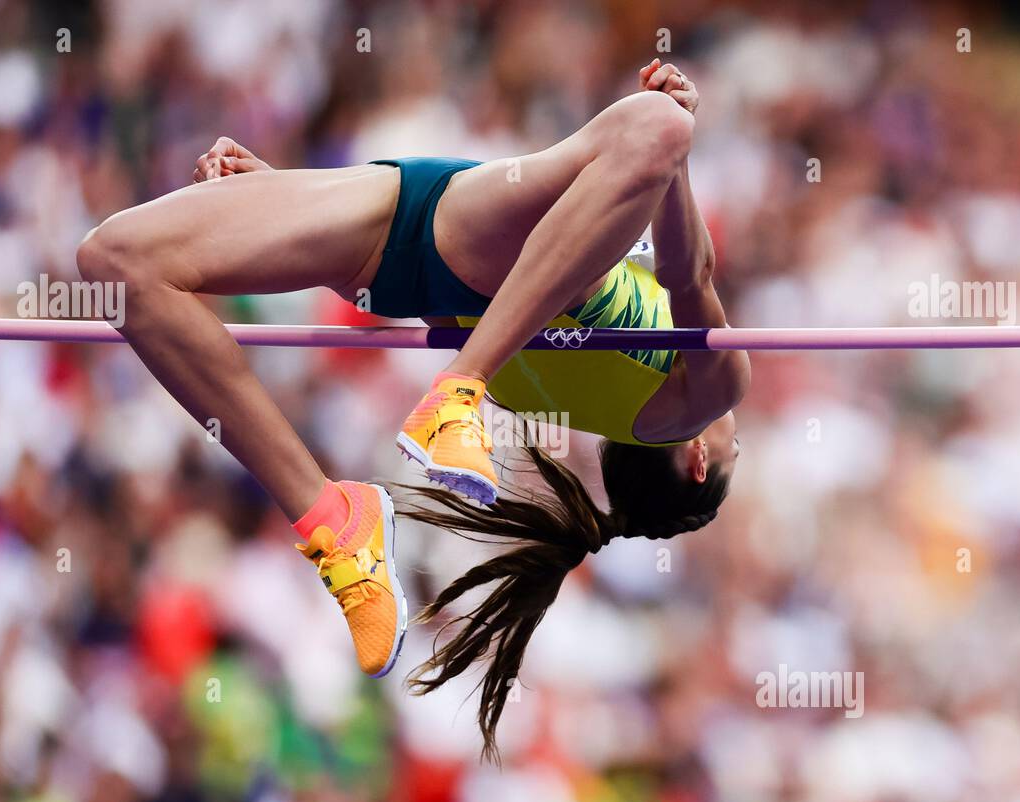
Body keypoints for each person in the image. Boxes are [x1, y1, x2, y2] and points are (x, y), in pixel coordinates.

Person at [75, 61, 749, 746]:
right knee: (114, 262)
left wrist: (682, 140)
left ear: (697, 459)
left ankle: (460, 388)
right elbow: (671, 243)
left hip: (447, 223)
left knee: (657, 122)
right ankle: (331, 516)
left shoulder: (705, 394)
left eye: (736, 449)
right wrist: (282, 196)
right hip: (405, 232)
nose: (737, 433)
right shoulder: (580, 400)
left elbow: (689, 271)